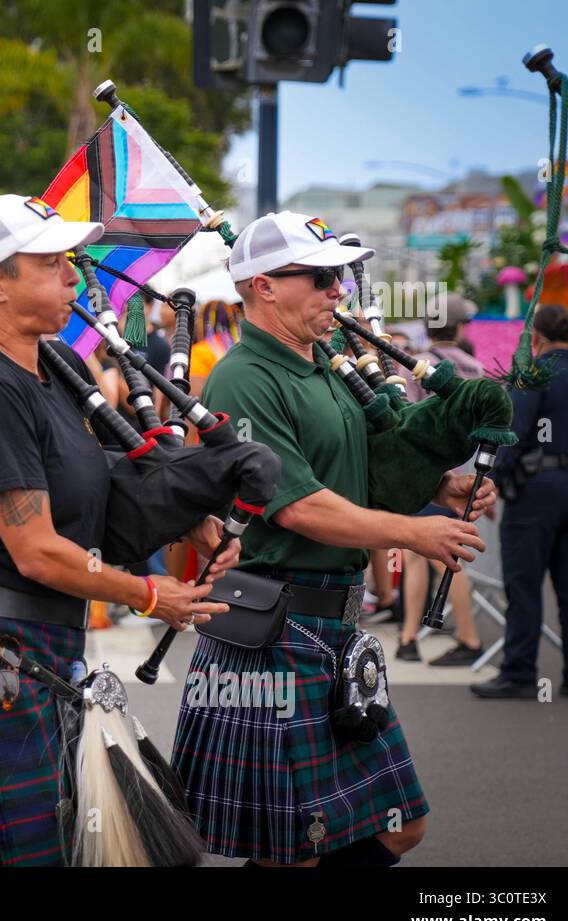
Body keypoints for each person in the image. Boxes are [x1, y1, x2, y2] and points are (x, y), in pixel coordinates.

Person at [0, 194, 237, 866]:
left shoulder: (52, 368)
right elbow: (35, 550)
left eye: (68, 261)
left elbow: (95, 484)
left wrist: (189, 514)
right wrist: (149, 595)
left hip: (39, 654)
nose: (72, 275)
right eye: (49, 263)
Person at [172, 211, 496, 867]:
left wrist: (441, 488)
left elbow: (373, 459)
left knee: (397, 825)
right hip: (274, 627)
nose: (338, 290)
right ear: (263, 285)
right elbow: (298, 508)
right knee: (293, 850)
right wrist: (414, 532)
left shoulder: (327, 362)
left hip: (336, 628)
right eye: (321, 277)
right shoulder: (244, 378)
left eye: (340, 275)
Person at [471, 304, 568, 699]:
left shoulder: (534, 376)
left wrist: (489, 483)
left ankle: (520, 671)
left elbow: (514, 434)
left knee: (523, 584)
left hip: (537, 491)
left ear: (536, 337)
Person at [393, 294, 486, 664]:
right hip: (464, 478)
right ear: (461, 327)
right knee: (434, 555)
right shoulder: (477, 369)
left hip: (420, 475)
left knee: (430, 557)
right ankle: (411, 635)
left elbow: (404, 418)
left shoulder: (414, 366)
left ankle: (464, 636)